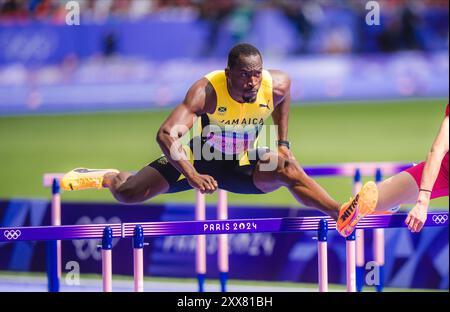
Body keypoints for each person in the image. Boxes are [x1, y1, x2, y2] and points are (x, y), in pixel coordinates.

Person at [60, 43, 378, 237]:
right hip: (202, 157)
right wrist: (192, 174)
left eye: (257, 73)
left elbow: (284, 98)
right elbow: (165, 134)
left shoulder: (276, 84)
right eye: (244, 75)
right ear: (228, 73)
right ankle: (106, 176)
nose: (252, 82)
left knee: (286, 168)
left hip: (242, 160)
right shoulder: (207, 92)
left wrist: (283, 143)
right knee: (129, 194)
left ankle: (341, 213)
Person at [375, 103, 449, 232]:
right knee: (369, 201)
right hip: (444, 169)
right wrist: (422, 203)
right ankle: (396, 199)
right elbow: (438, 150)